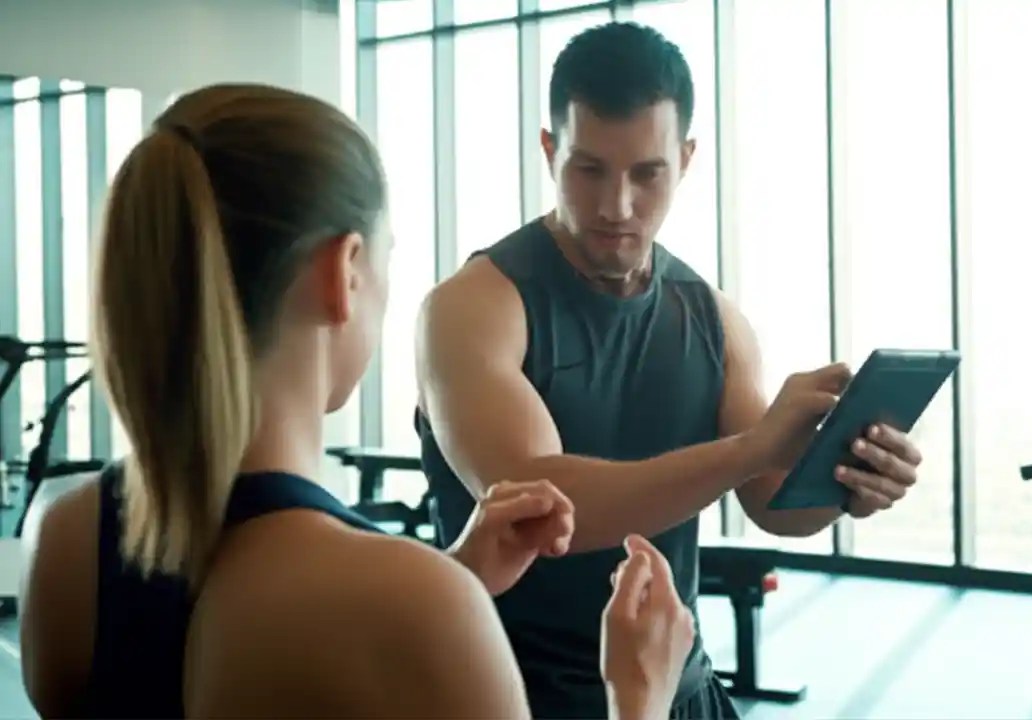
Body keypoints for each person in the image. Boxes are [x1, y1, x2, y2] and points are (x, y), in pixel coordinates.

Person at [19, 82, 694, 720]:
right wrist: (640, 694)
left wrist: (458, 573)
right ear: (343, 273)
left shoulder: (67, 535)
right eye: (385, 260)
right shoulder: (414, 604)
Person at [415, 20, 925, 720]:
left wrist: (849, 483)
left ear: (685, 159)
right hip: (514, 698)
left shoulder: (713, 318)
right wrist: (753, 447)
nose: (615, 206)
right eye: (587, 168)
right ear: (547, 150)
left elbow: (775, 502)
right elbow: (537, 504)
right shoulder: (472, 307)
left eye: (646, 173)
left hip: (679, 692)